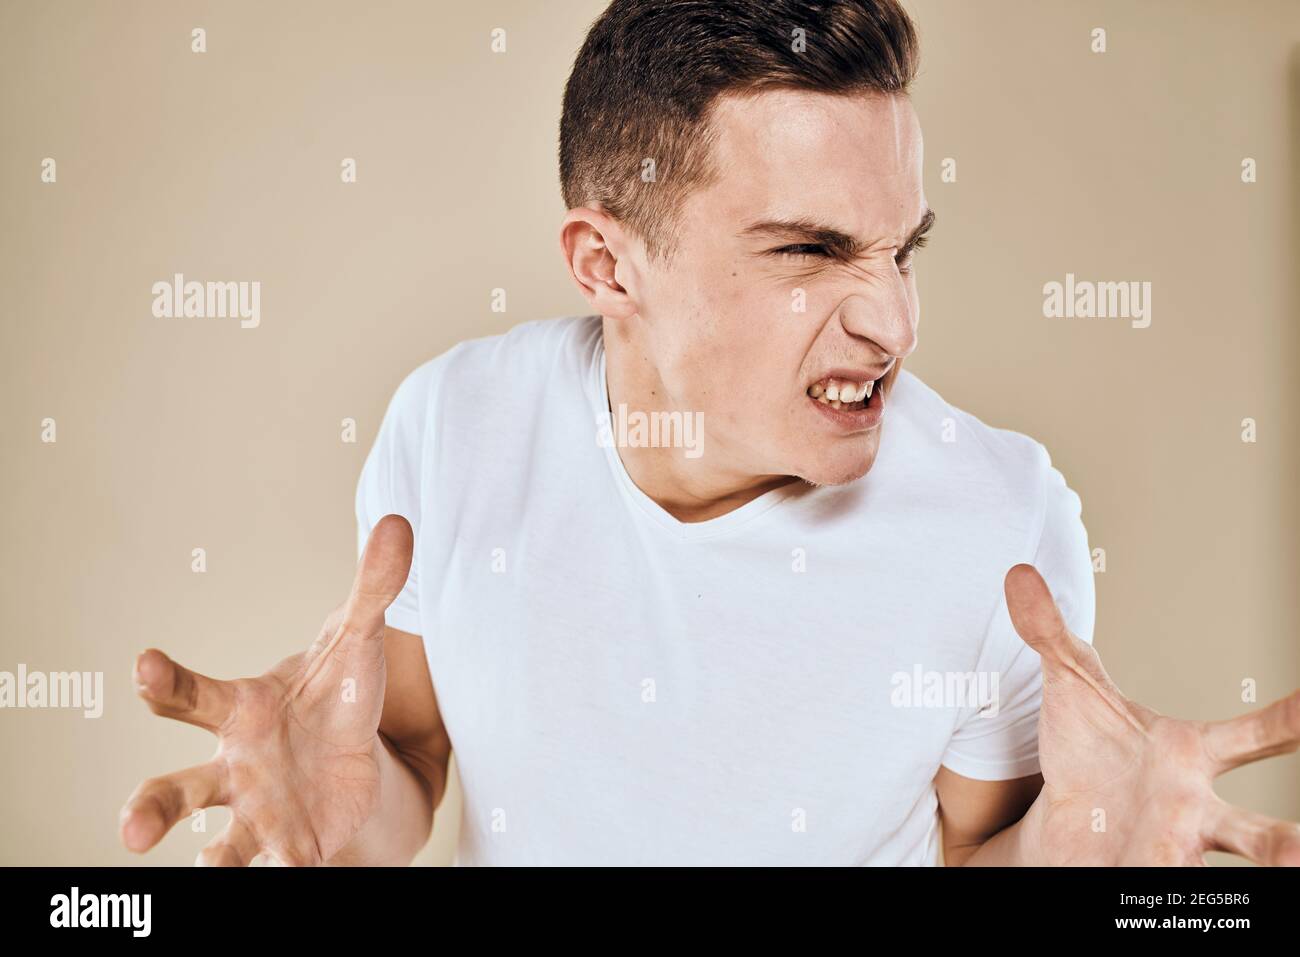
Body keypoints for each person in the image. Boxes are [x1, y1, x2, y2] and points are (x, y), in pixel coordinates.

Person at [119, 0, 1300, 866]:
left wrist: (1071, 861)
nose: (891, 319)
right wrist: (338, 831)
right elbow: (412, 761)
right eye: (807, 251)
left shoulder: (1001, 524)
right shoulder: (456, 426)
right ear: (606, 263)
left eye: (902, 250)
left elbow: (978, 857)